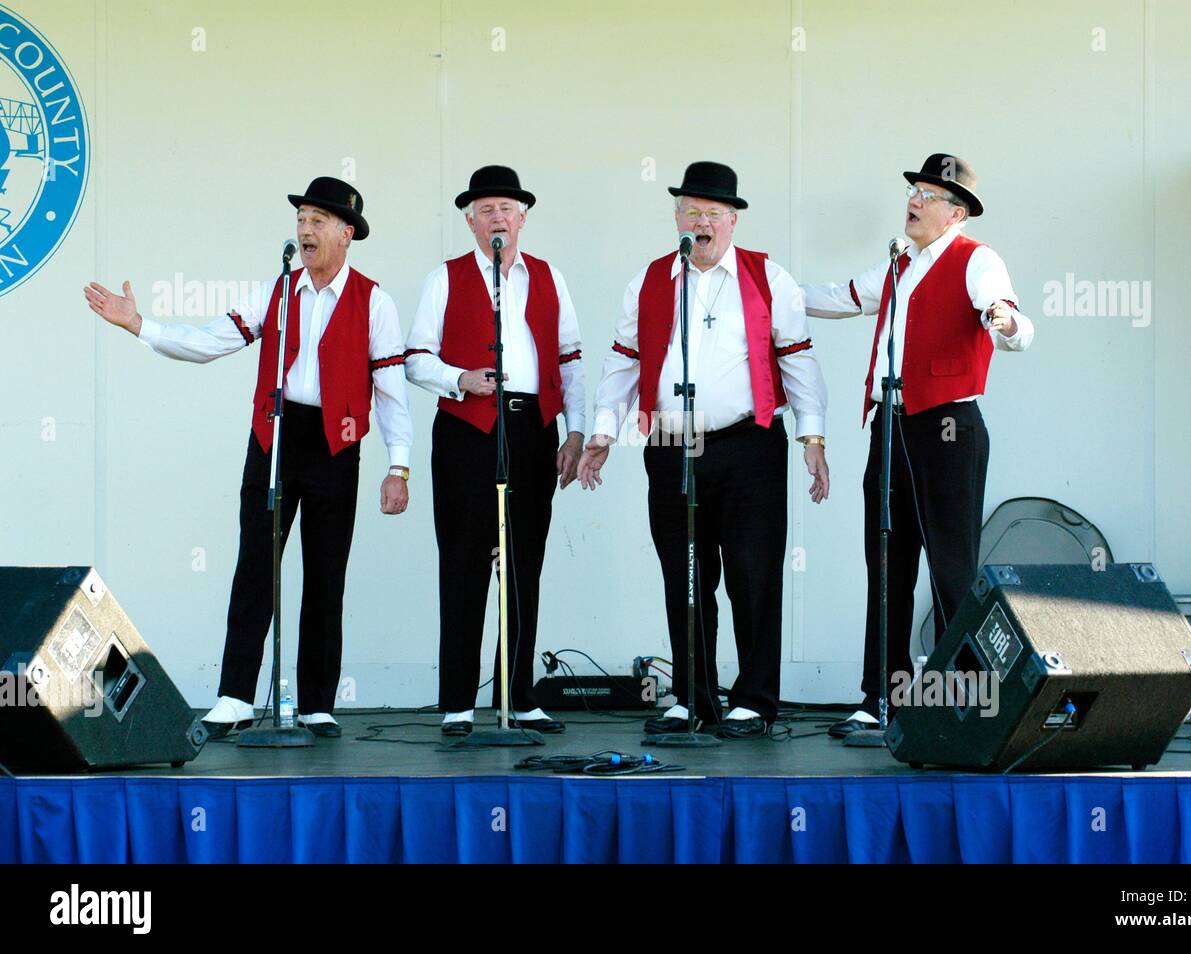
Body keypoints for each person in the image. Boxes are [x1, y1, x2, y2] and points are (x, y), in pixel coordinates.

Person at [84, 176, 413, 739]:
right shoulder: (276, 291)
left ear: (345, 234)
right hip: (275, 439)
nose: (305, 230)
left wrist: (399, 465)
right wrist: (141, 325)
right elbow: (213, 341)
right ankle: (236, 696)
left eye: (317, 221)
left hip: (337, 444)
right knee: (255, 568)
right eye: (301, 220)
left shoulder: (374, 300)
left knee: (325, 576)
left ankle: (317, 704)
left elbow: (391, 391)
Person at [579, 161, 829, 740]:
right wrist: (602, 433)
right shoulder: (651, 280)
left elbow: (798, 358)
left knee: (753, 573)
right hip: (670, 441)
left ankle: (754, 699)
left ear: (734, 220)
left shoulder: (770, 277)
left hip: (748, 441)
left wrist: (811, 437)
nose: (702, 222)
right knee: (684, 573)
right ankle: (693, 695)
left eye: (714, 213)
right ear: (676, 217)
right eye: (692, 211)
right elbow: (623, 360)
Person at [802, 153, 1034, 737]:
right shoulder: (898, 265)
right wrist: (769, 291)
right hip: (892, 423)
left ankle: (966, 697)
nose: (915, 200)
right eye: (915, 190)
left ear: (955, 212)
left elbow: (1013, 323)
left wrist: (1003, 320)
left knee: (951, 567)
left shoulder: (975, 259)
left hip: (947, 426)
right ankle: (881, 695)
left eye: (929, 194)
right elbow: (841, 296)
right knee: (886, 561)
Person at [404, 166, 584, 736]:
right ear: (470, 220)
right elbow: (414, 358)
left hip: (532, 428)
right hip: (465, 430)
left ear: (523, 217)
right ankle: (458, 700)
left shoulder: (549, 276)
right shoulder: (446, 277)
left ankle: (520, 694)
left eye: (506, 208)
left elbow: (571, 358)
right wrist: (460, 378)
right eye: (486, 210)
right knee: (462, 563)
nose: (497, 218)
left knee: (524, 563)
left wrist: (576, 431)